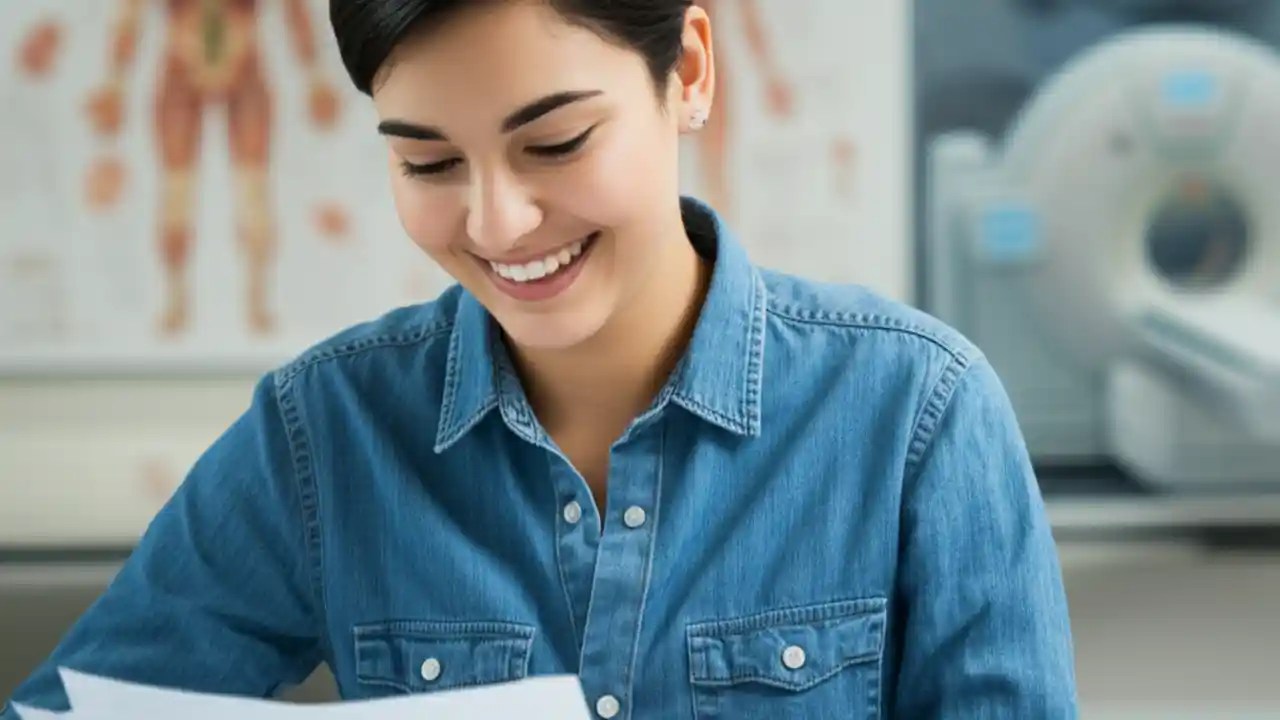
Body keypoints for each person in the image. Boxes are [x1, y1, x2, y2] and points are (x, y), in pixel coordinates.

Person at [2, 1, 1077, 718]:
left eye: (554, 143)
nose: (498, 220)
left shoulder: (918, 415)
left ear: (689, 70)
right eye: (427, 160)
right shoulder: (323, 436)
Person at [83, 0, 342, 336]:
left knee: (252, 191)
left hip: (242, 65)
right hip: (184, 66)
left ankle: (255, 297)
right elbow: (131, 14)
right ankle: (177, 297)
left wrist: (315, 78)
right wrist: (114, 83)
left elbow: (294, 10)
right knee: (178, 190)